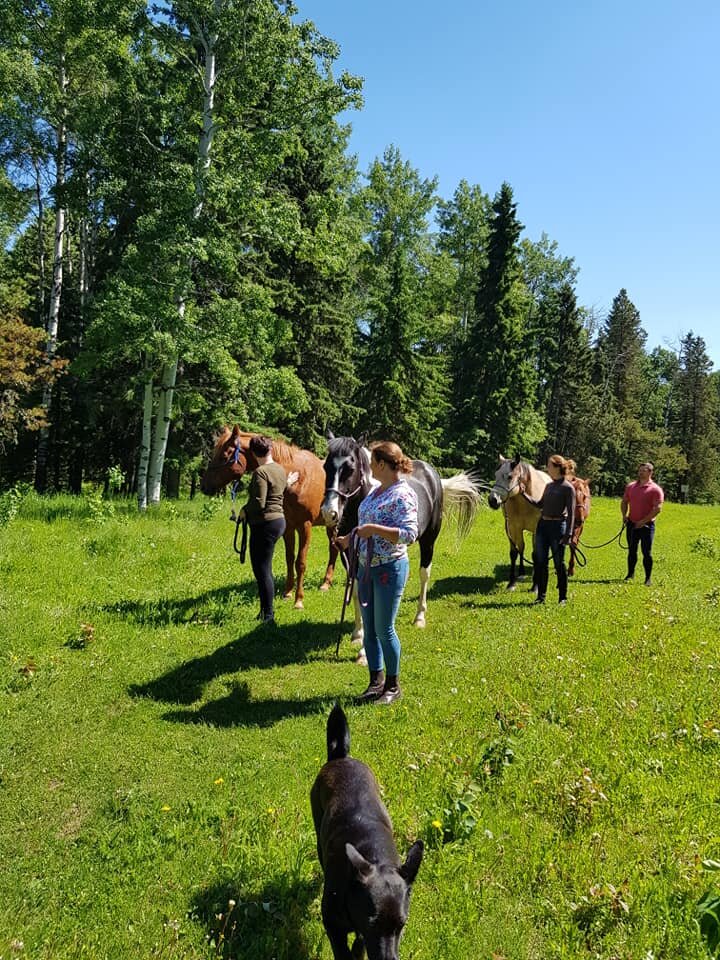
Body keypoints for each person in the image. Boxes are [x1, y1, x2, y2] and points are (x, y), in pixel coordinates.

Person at [334, 441, 418, 705]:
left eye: (372, 462)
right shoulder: (375, 492)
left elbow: (409, 534)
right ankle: (375, 682)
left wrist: (375, 530)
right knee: (369, 629)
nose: (368, 466)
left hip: (389, 569)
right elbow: (363, 527)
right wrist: (349, 539)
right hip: (366, 566)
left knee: (385, 629)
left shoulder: (403, 495)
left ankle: (393, 686)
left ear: (382, 464)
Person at [237, 436, 287, 624]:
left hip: (265, 524)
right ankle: (265, 612)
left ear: (253, 453)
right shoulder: (280, 469)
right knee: (264, 568)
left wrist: (244, 511)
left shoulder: (261, 472)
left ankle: (268, 616)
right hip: (279, 521)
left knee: (262, 570)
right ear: (270, 450)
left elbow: (259, 502)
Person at [520, 454, 576, 605]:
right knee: (541, 562)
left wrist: (568, 534)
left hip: (558, 527)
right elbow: (539, 504)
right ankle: (541, 597)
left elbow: (571, 513)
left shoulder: (568, 488)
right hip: (543, 526)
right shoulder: (549, 486)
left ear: (557, 467)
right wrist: (524, 494)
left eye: (550, 466)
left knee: (559, 564)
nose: (547, 468)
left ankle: (562, 597)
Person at [621, 462, 664, 586]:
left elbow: (657, 509)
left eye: (643, 471)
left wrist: (643, 521)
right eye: (639, 470)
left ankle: (648, 578)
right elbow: (624, 501)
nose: (640, 473)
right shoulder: (631, 487)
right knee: (632, 550)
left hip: (647, 526)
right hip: (632, 524)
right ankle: (630, 574)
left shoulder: (655, 489)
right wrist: (624, 515)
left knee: (647, 552)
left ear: (650, 472)